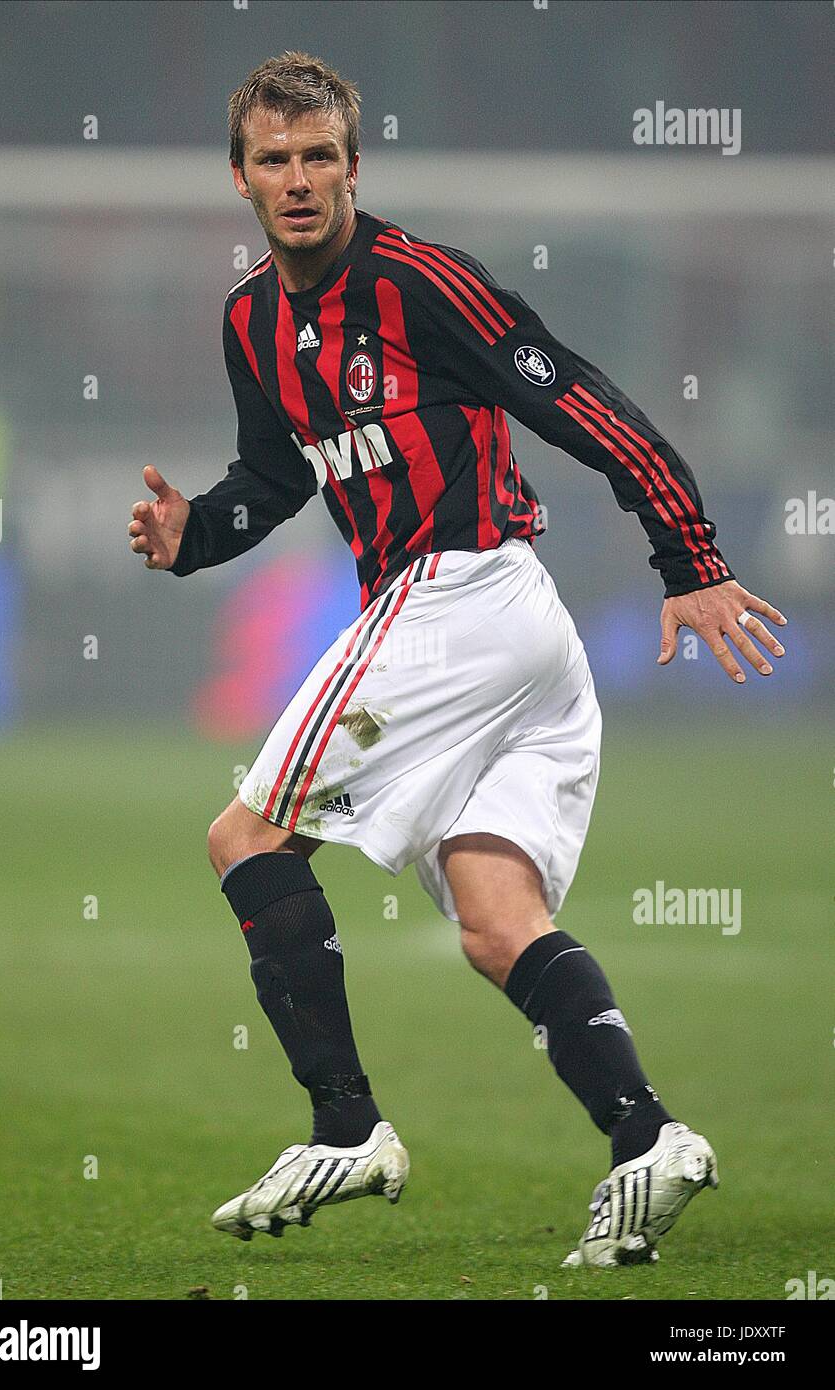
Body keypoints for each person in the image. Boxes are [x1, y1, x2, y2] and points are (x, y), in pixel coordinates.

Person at [129, 52, 786, 1267]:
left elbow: (583, 402)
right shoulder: (250, 321)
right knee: (495, 916)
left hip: (461, 594)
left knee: (245, 837)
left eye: (318, 156)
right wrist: (194, 536)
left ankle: (347, 1124)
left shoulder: (422, 283)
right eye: (273, 159)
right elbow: (274, 476)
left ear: (353, 166)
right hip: (507, 632)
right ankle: (646, 1137)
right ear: (239, 177)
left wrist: (687, 555)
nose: (297, 180)